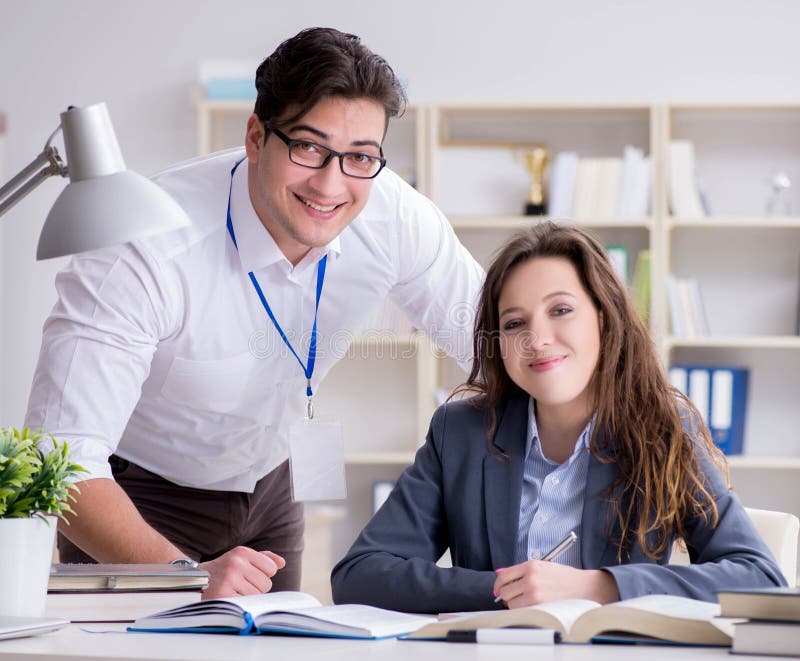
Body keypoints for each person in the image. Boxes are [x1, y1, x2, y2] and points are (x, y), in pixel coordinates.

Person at [24, 27, 482, 599]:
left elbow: (499, 344)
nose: (331, 184)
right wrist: (187, 579)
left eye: (360, 156)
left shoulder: (393, 217)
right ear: (255, 137)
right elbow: (59, 465)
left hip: (271, 487)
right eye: (309, 147)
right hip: (138, 498)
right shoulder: (144, 247)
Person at [331, 221, 785, 613]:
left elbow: (760, 578)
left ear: (604, 320)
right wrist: (506, 588)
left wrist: (599, 587)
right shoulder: (460, 432)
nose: (537, 338)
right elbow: (360, 574)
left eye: (561, 310)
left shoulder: (663, 431)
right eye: (514, 323)